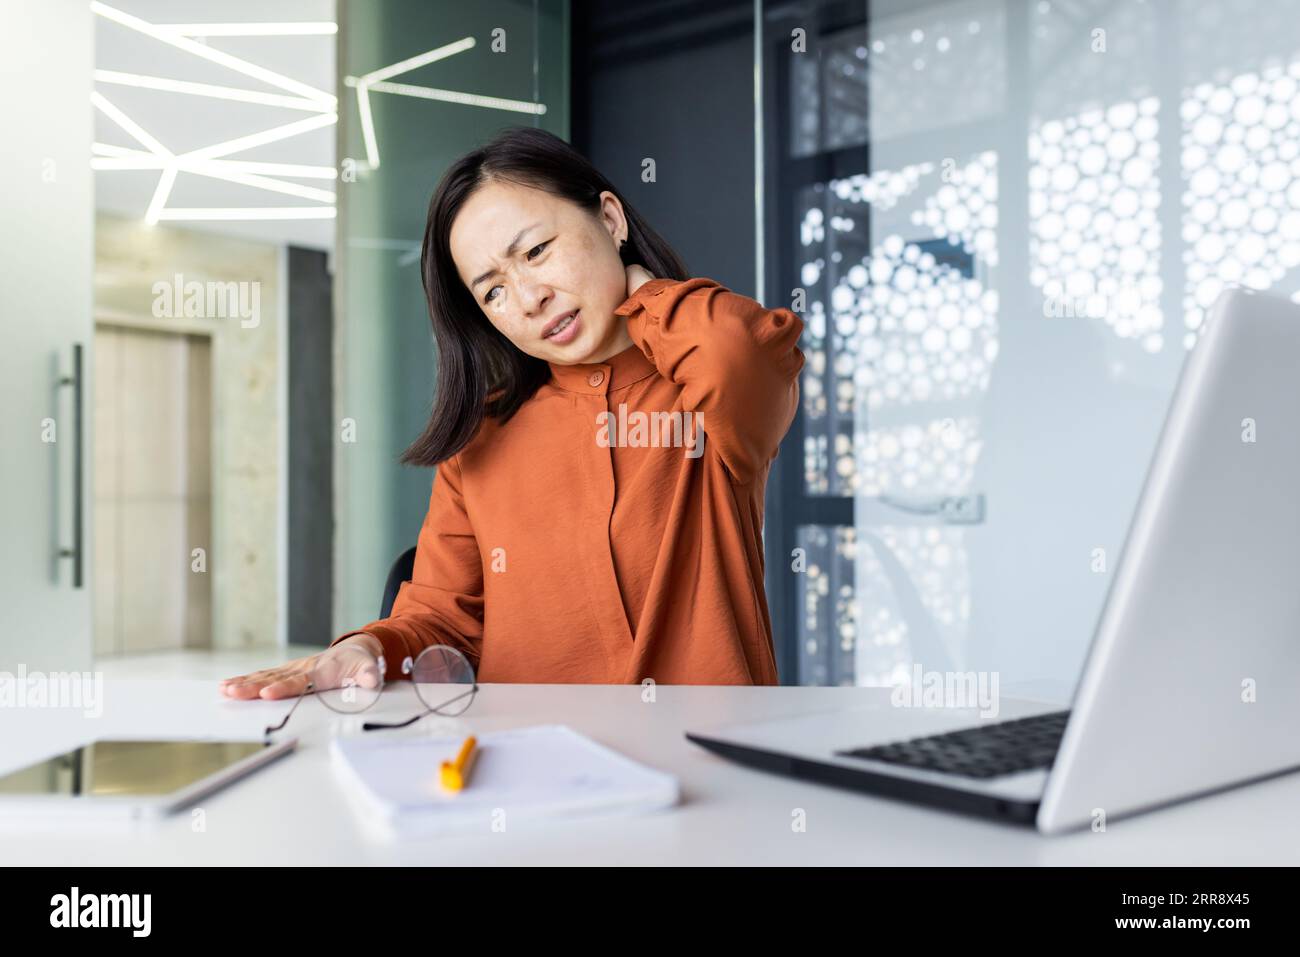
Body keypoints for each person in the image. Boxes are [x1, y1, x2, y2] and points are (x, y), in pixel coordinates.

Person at [220, 126, 803, 701]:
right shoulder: (482, 436)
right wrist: (366, 648)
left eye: (536, 251)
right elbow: (442, 623)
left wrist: (646, 295)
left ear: (610, 218)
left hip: (707, 762)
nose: (529, 298)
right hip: (526, 766)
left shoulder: (703, 398)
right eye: (492, 290)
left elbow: (740, 351)